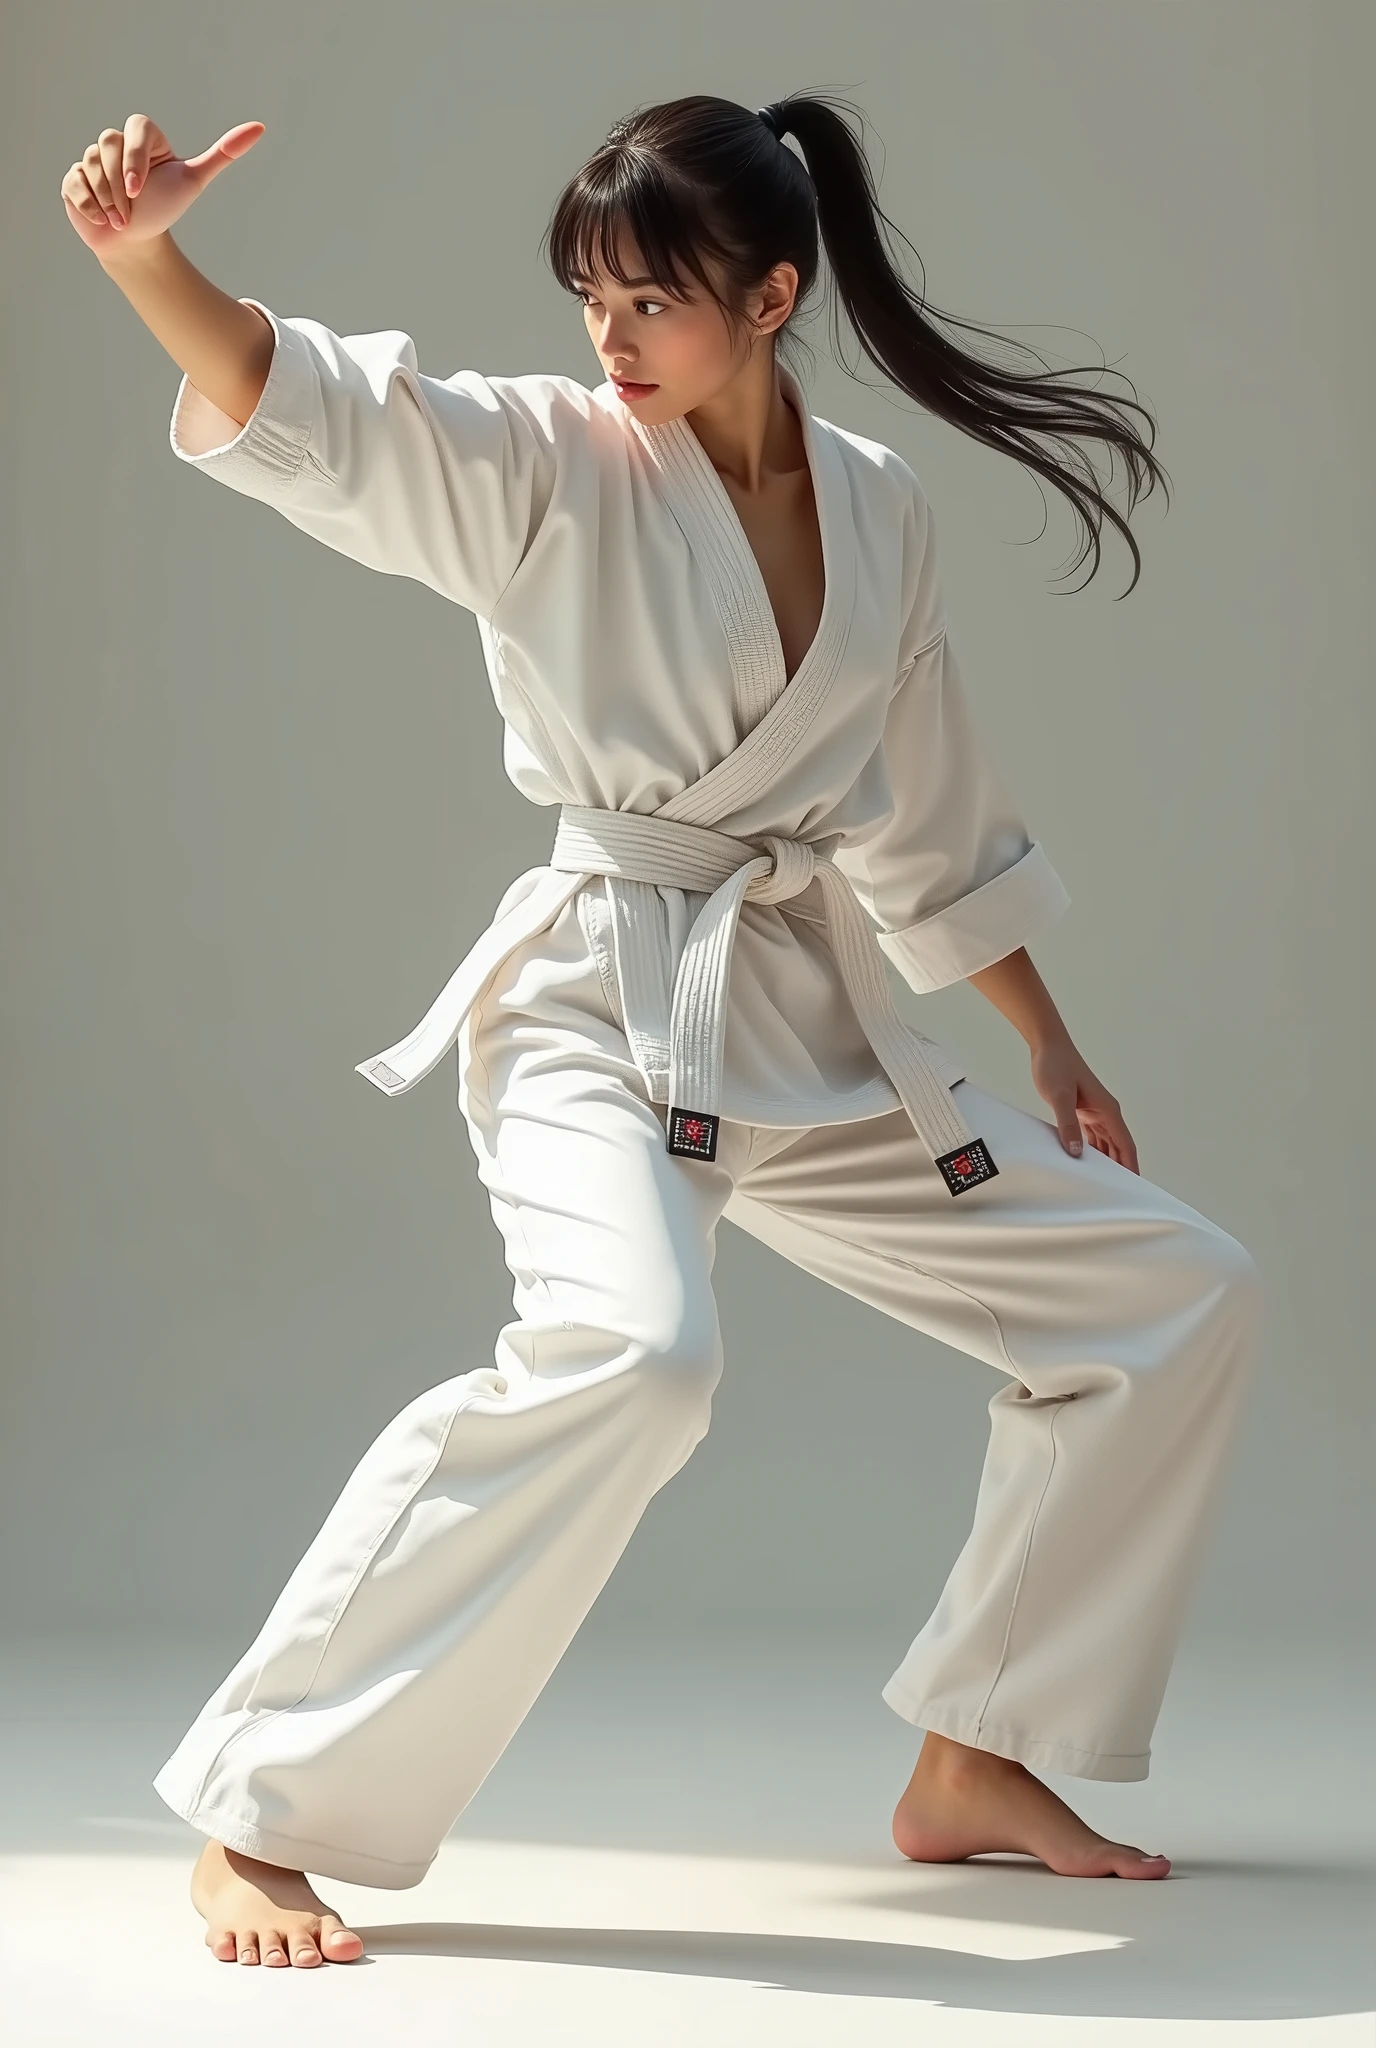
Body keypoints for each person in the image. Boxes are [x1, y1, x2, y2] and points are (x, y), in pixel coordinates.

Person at [61, 93, 1263, 1970]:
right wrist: (151, 259)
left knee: (1178, 1295)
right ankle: (262, 1810)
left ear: (772, 295)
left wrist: (1049, 1039)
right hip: (597, 1007)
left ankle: (985, 1747)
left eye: (649, 302)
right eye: (587, 299)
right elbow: (326, 410)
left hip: (803, 1004)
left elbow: (920, 808)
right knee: (637, 1354)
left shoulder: (877, 505)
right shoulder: (548, 458)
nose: (605, 341)